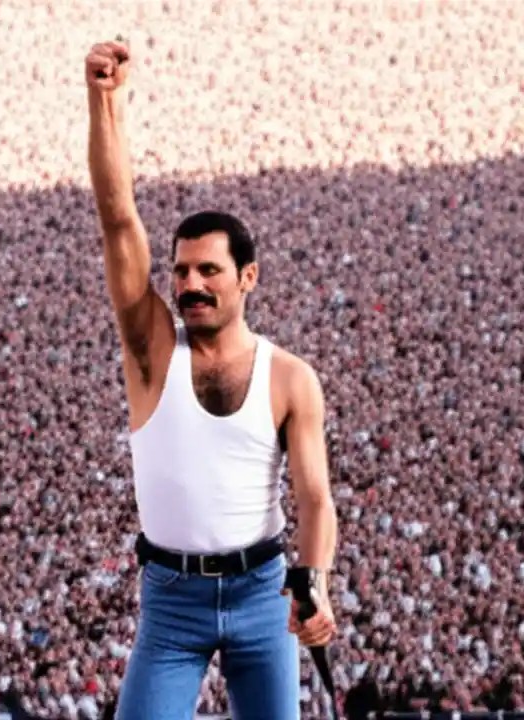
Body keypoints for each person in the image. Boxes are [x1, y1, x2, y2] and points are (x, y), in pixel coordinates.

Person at [84, 40, 340, 720]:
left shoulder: (290, 378)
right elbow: (117, 218)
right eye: (180, 271)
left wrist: (314, 580)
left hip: (262, 591)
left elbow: (315, 499)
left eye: (208, 271)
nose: (190, 285)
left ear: (247, 277)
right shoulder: (152, 353)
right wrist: (105, 102)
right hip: (171, 600)